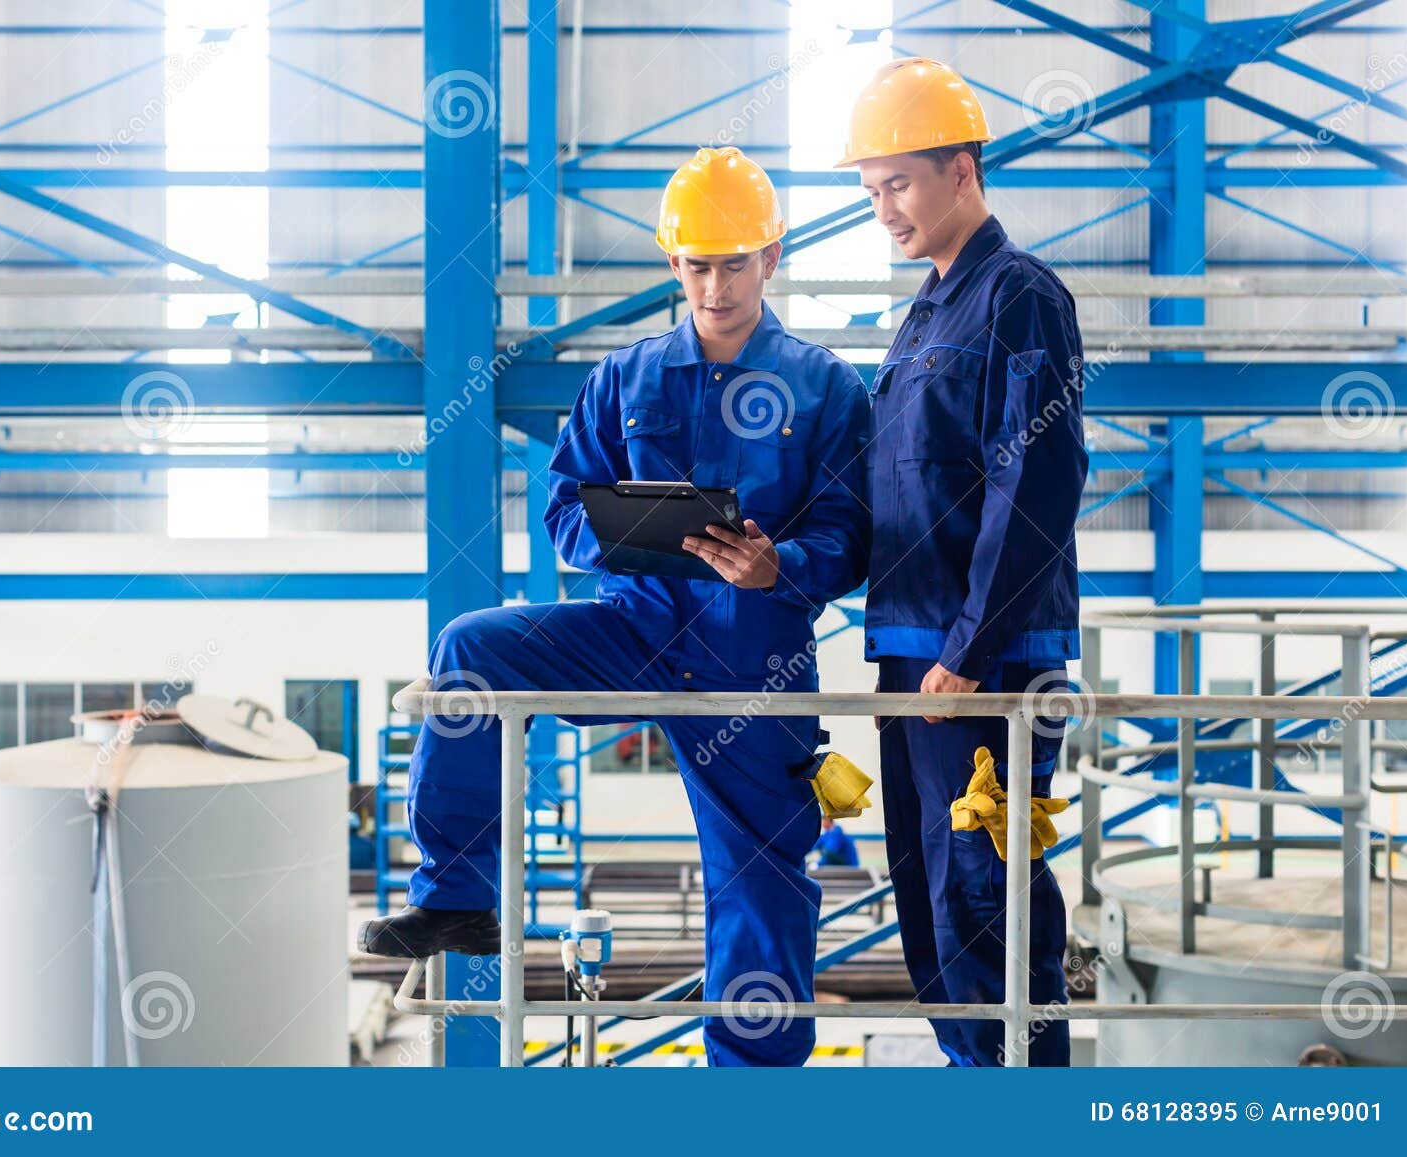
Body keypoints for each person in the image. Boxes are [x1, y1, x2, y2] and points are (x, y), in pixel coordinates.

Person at [360, 146, 872, 1067]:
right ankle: (458, 894)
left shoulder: (827, 387)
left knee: (759, 886)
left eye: (735, 263)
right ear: (673, 264)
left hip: (752, 665)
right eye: (697, 265)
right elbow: (563, 504)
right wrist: (628, 535)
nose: (715, 287)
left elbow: (852, 534)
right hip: (633, 630)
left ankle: (753, 1097)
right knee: (468, 648)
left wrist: (777, 566)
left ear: (772, 257)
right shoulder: (624, 379)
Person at [837, 58, 1088, 1067]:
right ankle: (969, 1076)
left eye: (898, 182)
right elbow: (891, 489)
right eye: (869, 191)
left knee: (982, 888)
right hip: (913, 652)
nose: (883, 209)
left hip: (979, 660)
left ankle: (1018, 1097)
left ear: (962, 169)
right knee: (925, 889)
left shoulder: (1017, 296)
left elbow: (1036, 479)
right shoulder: (921, 315)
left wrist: (972, 649)